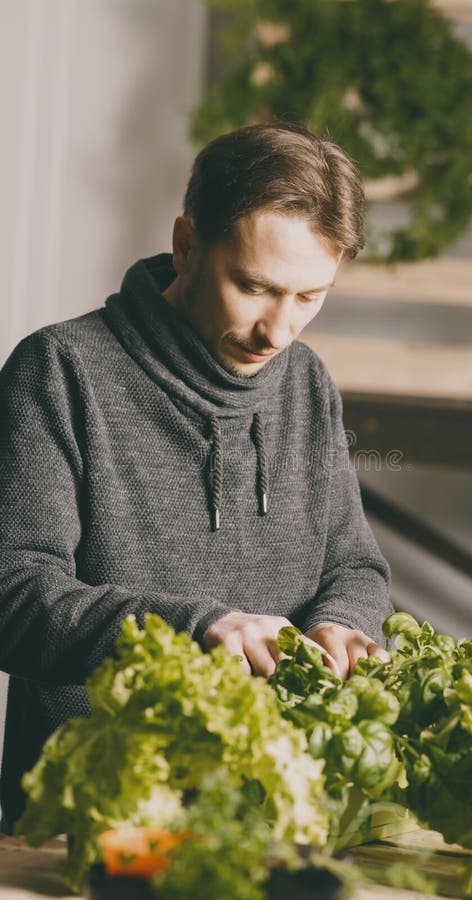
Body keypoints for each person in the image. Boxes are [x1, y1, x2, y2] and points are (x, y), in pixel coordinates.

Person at [0, 121, 393, 831]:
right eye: (254, 287)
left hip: (280, 816)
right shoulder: (59, 371)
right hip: (95, 817)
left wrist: (343, 624)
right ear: (186, 243)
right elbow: (13, 596)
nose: (279, 331)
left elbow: (355, 565)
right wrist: (196, 629)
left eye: (310, 297)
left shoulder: (305, 382)